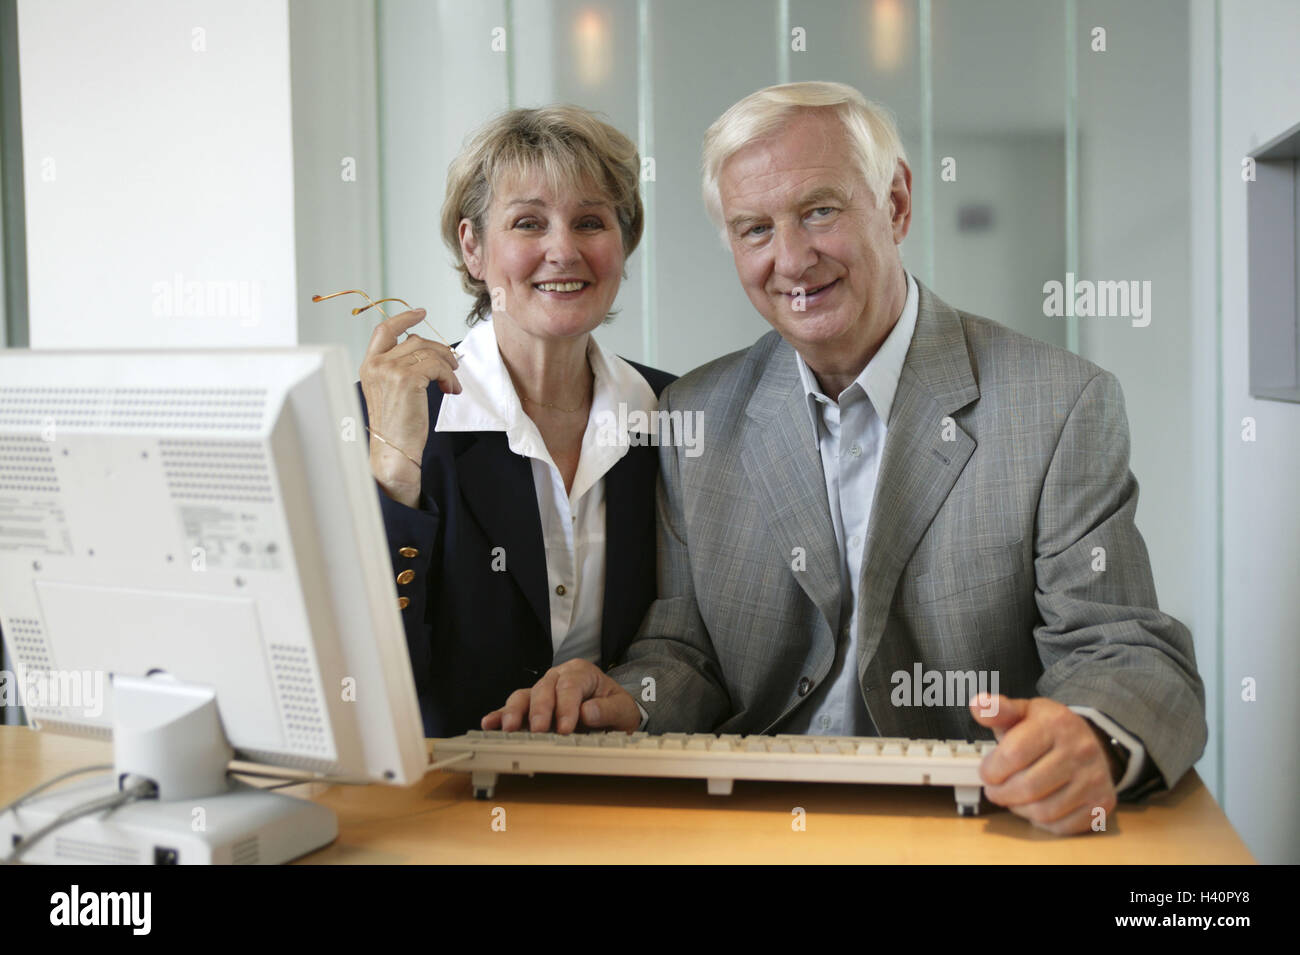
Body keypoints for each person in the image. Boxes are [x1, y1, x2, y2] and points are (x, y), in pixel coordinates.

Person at [484, 82, 1207, 836]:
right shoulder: (695, 416)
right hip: (750, 830)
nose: (792, 259)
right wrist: (629, 700)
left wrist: (1091, 737)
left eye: (819, 211)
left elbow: (1126, 647)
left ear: (895, 205)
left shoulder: (1057, 404)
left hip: (973, 824)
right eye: (755, 228)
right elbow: (684, 650)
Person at [356, 105, 673, 737]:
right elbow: (357, 677)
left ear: (624, 245)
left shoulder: (671, 413)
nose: (563, 250)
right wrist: (392, 470)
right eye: (528, 222)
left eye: (591, 221)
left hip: (627, 792)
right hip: (440, 800)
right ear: (473, 247)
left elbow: (697, 644)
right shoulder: (384, 412)